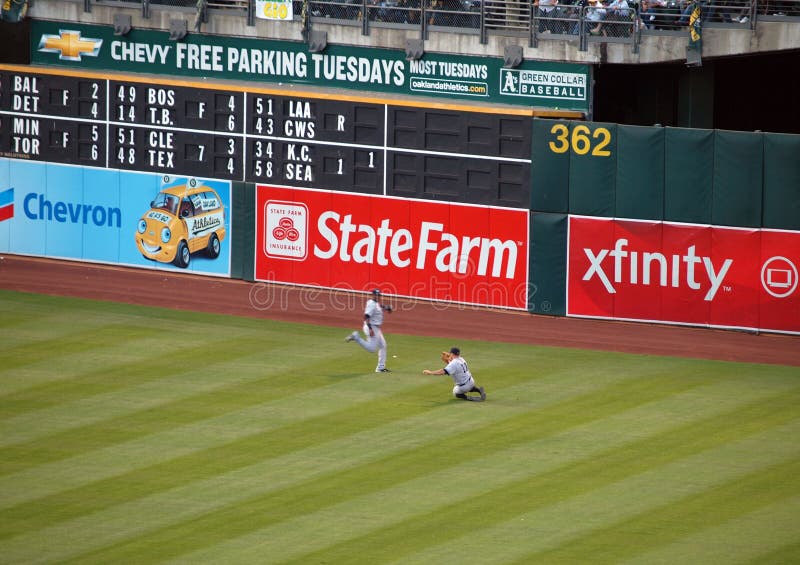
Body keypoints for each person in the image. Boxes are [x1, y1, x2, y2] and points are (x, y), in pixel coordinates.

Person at [345, 289, 393, 373]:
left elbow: (378, 306)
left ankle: (380, 368)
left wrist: (386, 307)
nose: (377, 296)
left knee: (383, 345)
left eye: (379, 295)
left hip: (376, 328)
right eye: (376, 295)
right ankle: (356, 337)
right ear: (373, 295)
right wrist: (370, 328)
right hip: (372, 327)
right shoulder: (371, 304)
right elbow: (366, 316)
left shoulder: (375, 303)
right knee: (372, 349)